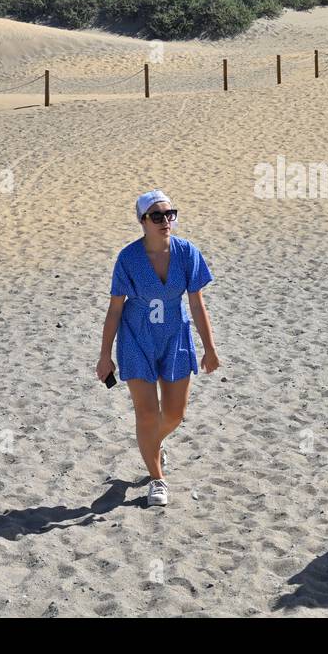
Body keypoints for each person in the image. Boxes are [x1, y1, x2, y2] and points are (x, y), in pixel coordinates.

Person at [96, 190, 220, 507]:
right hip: (137, 339)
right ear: (142, 221)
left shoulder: (187, 253)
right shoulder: (128, 258)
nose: (165, 221)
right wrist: (104, 355)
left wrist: (210, 347)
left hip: (176, 337)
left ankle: (153, 443)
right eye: (156, 216)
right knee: (148, 414)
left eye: (169, 214)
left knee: (175, 414)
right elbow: (114, 309)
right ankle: (157, 478)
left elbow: (196, 301)